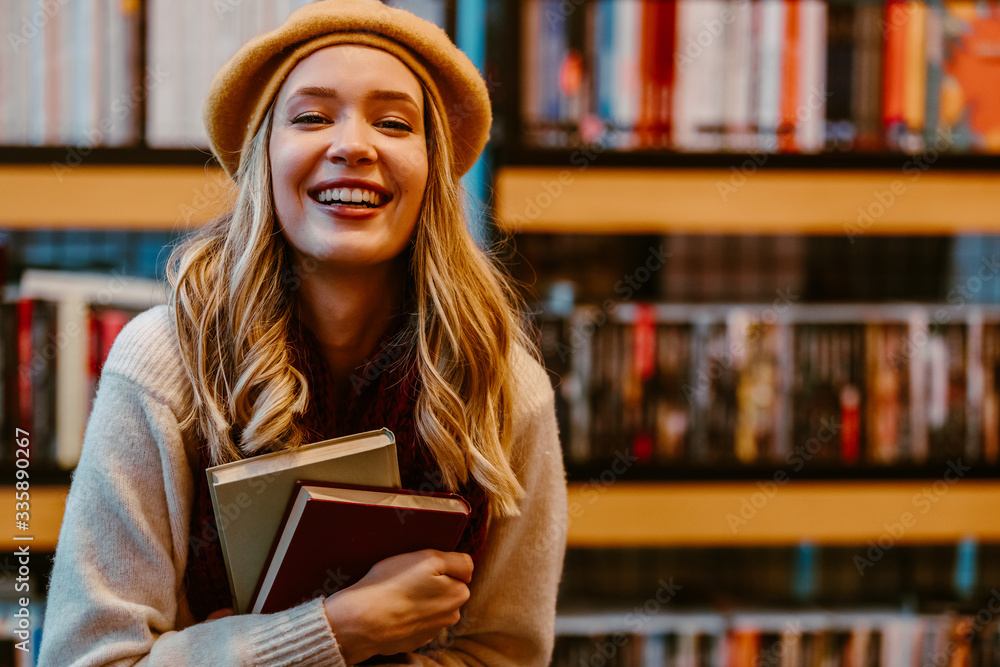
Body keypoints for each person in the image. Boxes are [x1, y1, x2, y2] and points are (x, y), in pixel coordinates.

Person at [37, 1, 568, 665]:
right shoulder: (160, 365)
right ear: (263, 157)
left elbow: (504, 653)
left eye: (394, 121)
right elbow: (84, 657)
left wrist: (223, 648)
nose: (352, 144)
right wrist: (340, 630)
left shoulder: (505, 387)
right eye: (312, 116)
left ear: (433, 168)